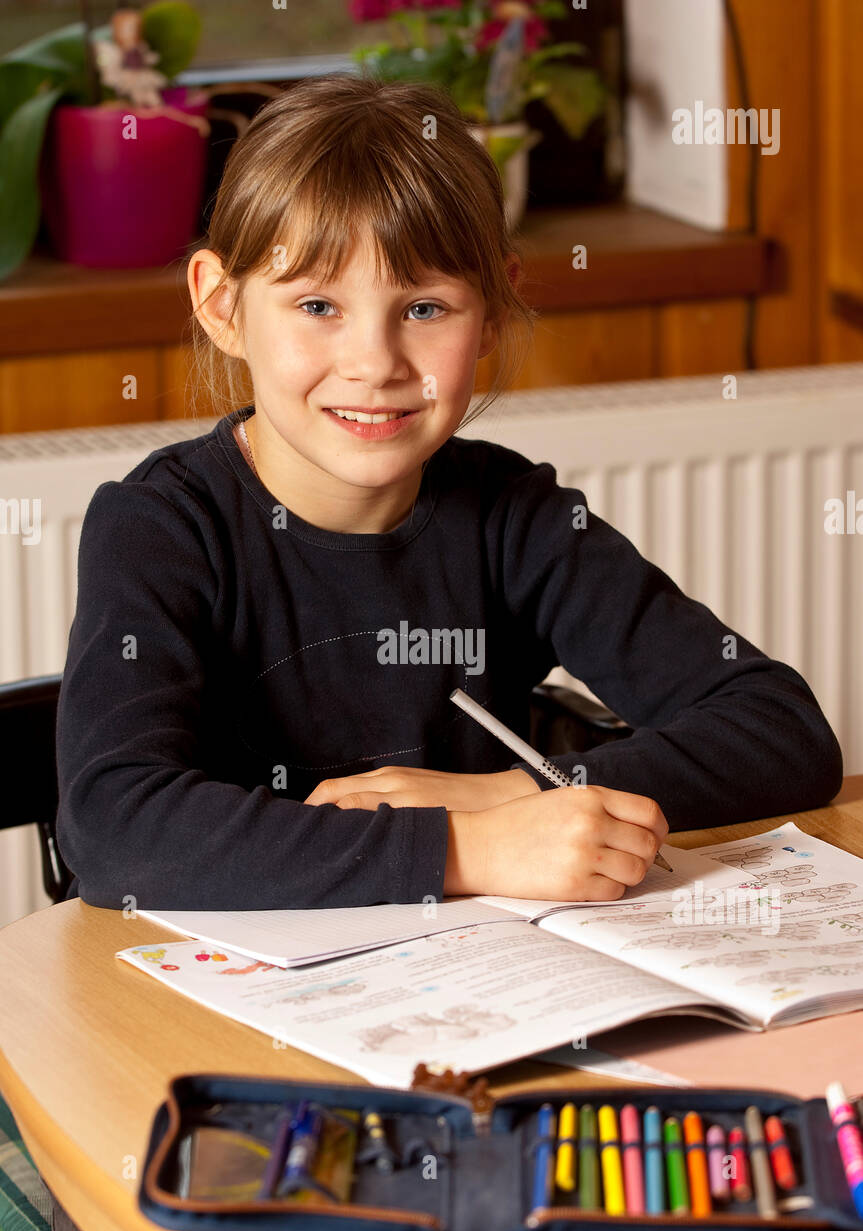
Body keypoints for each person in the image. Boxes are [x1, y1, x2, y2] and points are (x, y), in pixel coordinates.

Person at [56, 74, 843, 915]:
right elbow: (113, 827)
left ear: (492, 313)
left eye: (425, 306)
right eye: (318, 304)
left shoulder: (513, 516)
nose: (376, 362)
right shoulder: (161, 527)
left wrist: (513, 792)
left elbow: (781, 732)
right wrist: (465, 846)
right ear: (222, 305)